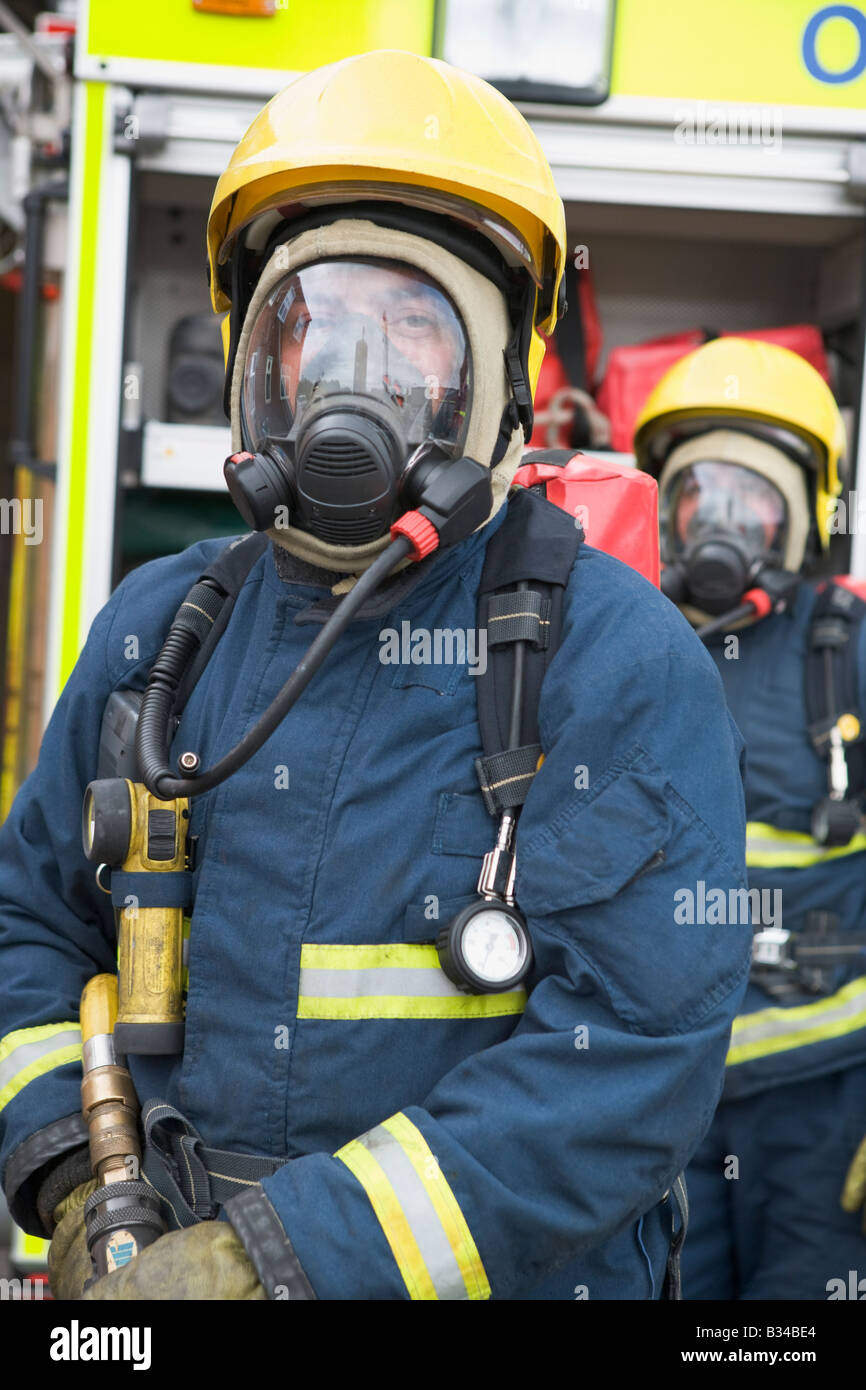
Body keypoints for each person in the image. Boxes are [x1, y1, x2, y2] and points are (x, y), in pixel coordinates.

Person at [0, 50, 749, 1302]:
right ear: (260, 362)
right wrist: (75, 1168)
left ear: (502, 381)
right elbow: (28, 922)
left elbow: (628, 1062)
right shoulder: (160, 629)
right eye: (316, 322)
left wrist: (272, 1260)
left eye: (414, 324)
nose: (363, 372)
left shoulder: (616, 664)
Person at [634, 336, 866, 1299]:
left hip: (824, 1106)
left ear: (800, 517)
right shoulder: (623, 648)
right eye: (700, 495)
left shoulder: (842, 654)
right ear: (665, 512)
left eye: (750, 497)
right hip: (652, 1098)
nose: (721, 523)